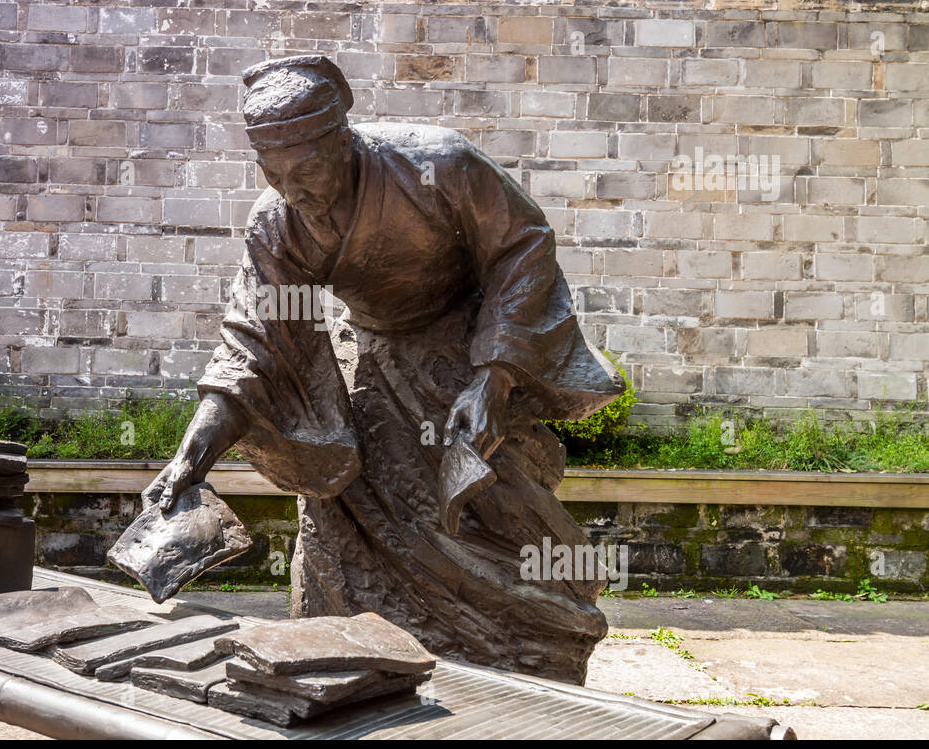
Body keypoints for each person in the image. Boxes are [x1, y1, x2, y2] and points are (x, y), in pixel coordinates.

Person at [142, 54, 625, 684]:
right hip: (369, 360)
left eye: (309, 169)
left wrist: (495, 376)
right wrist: (191, 458)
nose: (296, 190)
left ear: (343, 139)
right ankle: (355, 669)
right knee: (342, 508)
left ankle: (531, 655)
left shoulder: (437, 164)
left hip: (468, 347)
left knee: (495, 507)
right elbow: (252, 341)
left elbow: (521, 245)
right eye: (275, 173)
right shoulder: (279, 221)